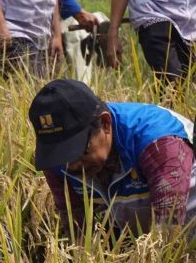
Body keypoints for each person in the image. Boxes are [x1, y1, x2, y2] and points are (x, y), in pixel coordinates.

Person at [29, 79, 196, 239]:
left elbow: (167, 240)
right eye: (60, 155)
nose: (71, 165)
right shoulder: (55, 163)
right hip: (132, 229)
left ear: (105, 124)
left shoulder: (159, 144)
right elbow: (76, 228)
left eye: (77, 151)